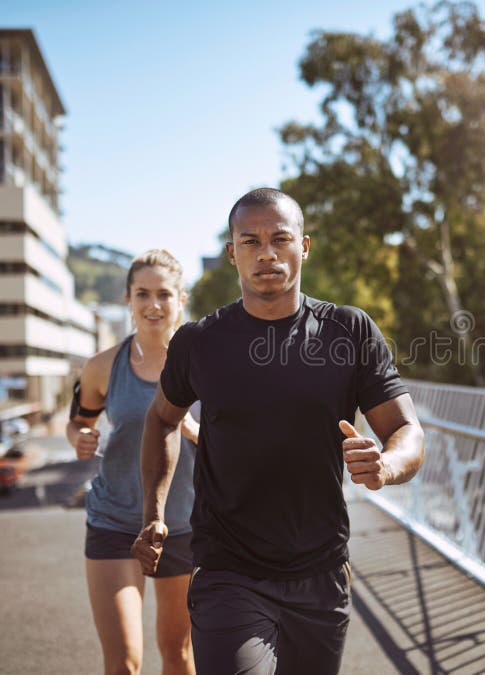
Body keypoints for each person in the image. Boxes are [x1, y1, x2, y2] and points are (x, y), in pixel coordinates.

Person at [131, 187, 425, 675]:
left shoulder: (348, 331)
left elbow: (406, 429)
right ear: (232, 253)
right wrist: (153, 513)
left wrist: (385, 465)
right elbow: (162, 417)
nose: (266, 253)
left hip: (322, 574)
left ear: (303, 246)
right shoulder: (199, 342)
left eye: (280, 239)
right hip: (228, 573)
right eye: (250, 241)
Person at [67, 249, 197, 675]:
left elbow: (243, 439)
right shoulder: (103, 367)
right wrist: (80, 438)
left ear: (181, 299)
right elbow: (79, 422)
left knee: (178, 655)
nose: (153, 305)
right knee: (124, 662)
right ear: (128, 298)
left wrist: (198, 431)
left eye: (164, 294)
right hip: (113, 522)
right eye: (143, 293)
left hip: (184, 527)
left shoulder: (204, 366)